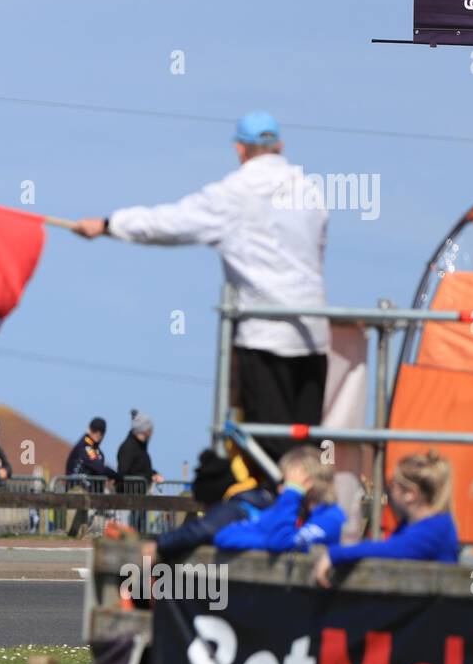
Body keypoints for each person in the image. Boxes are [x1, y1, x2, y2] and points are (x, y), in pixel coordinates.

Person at [74, 111, 329, 463]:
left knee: (268, 451)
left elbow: (169, 223)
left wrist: (108, 224)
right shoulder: (311, 192)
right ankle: (310, 515)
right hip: (314, 336)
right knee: (307, 448)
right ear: (280, 146)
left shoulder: (236, 194)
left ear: (240, 149)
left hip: (263, 337)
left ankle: (277, 515)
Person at [314, 450, 460, 587]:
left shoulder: (435, 529)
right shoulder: (419, 524)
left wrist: (336, 554)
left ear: (410, 494)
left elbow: (390, 549)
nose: (389, 491)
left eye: (393, 485)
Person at [144, 449, 273, 562]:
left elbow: (200, 529)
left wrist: (159, 543)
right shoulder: (260, 498)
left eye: (205, 504)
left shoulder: (232, 510)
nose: (206, 510)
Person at [214, 445, 344, 553]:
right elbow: (224, 536)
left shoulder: (331, 519)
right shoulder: (285, 512)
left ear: (309, 483)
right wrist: (269, 541)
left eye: (288, 483)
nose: (281, 489)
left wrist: (292, 493)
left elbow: (281, 541)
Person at [65, 416, 118, 486]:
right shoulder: (85, 447)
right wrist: (117, 476)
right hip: (77, 491)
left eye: (101, 432)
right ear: (88, 429)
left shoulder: (97, 451)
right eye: (95, 430)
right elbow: (99, 467)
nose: (98, 434)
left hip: (90, 492)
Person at [116, 410, 161, 488]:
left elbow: (141, 468)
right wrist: (147, 478)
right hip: (130, 495)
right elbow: (123, 473)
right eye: (150, 430)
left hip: (140, 494)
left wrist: (153, 473)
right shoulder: (128, 447)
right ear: (146, 431)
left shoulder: (141, 447)